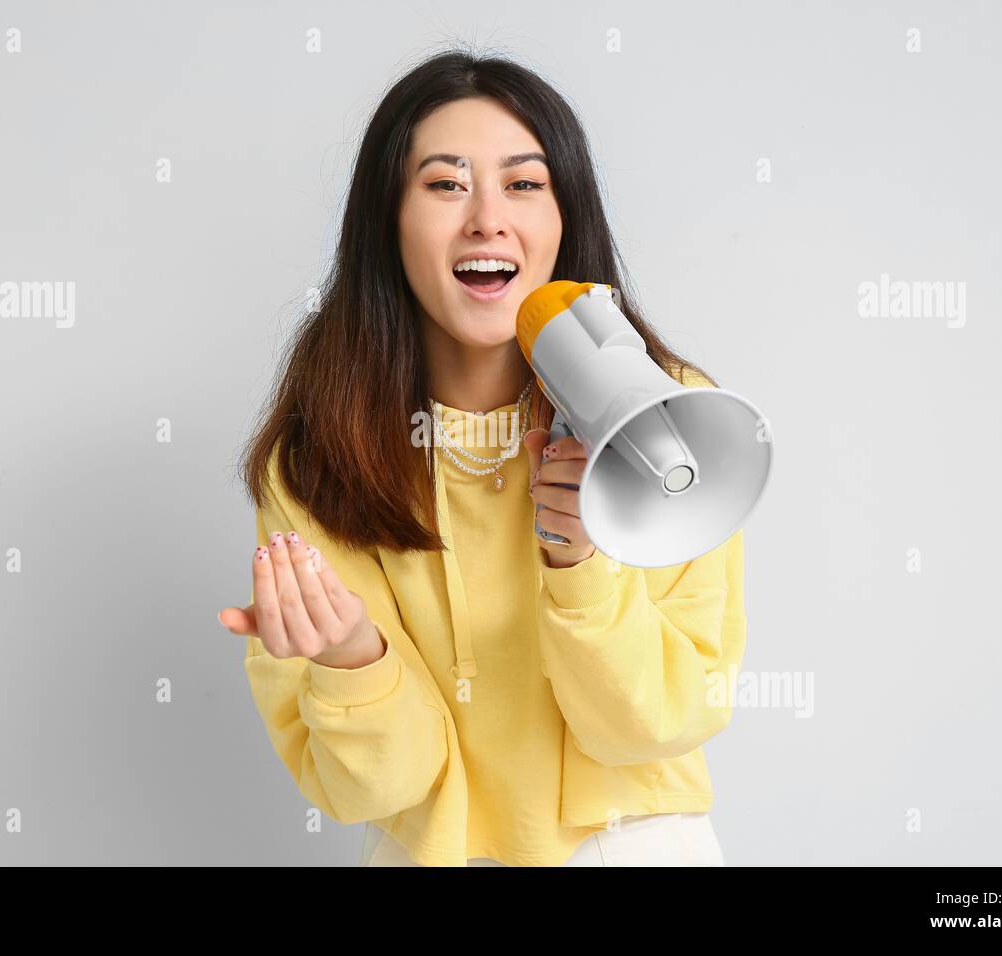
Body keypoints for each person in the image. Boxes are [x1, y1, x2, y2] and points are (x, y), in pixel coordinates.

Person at [219, 47, 746, 867]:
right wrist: (353, 657)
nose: (487, 220)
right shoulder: (322, 453)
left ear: (566, 216)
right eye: (445, 184)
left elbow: (656, 725)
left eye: (524, 183)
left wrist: (580, 565)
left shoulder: (670, 419)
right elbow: (373, 790)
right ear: (386, 222)